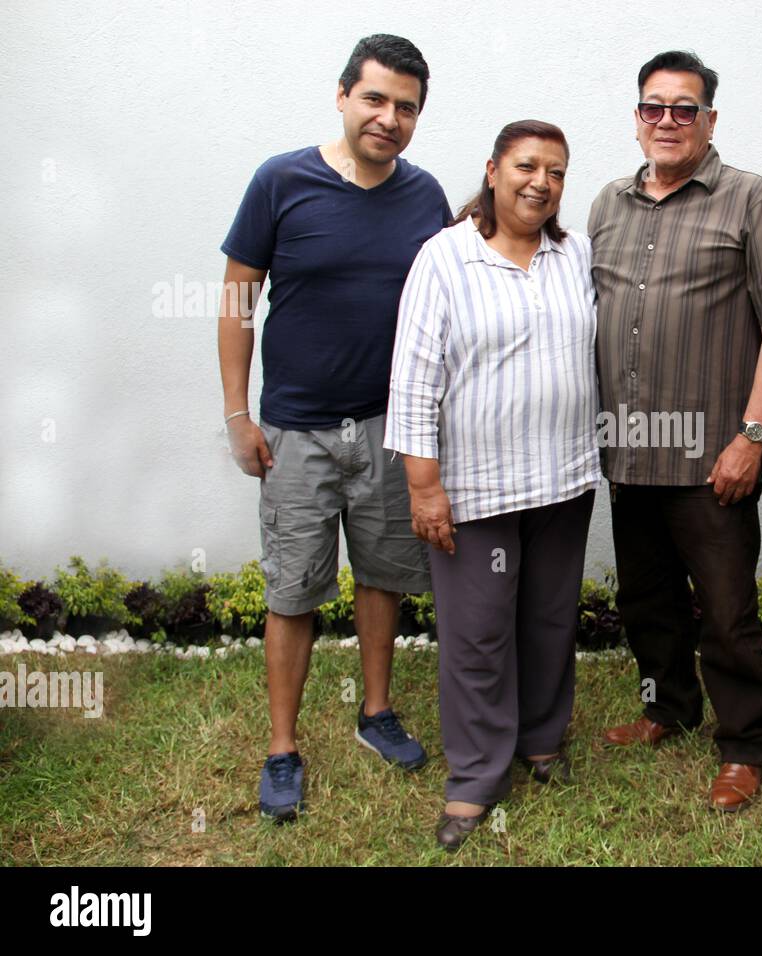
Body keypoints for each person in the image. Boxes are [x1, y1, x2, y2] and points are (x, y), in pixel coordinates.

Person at [217, 34, 453, 823]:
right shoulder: (281, 182)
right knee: (293, 589)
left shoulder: (424, 197)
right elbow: (237, 304)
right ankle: (282, 746)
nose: (390, 118)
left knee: (383, 574)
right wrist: (236, 413)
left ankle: (375, 711)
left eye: (407, 107)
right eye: (377, 99)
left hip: (389, 427)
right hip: (296, 430)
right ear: (344, 95)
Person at [589, 51, 762, 812]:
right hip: (630, 448)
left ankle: (743, 747)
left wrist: (752, 435)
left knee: (726, 609)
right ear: (638, 117)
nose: (669, 120)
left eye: (686, 108)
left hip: (713, 454)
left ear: (711, 118)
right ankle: (667, 708)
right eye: (655, 107)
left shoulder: (753, 199)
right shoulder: (607, 204)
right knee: (648, 599)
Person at [386, 120, 601, 851]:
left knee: (548, 621)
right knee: (478, 633)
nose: (541, 182)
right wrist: (424, 487)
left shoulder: (574, 255)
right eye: (526, 166)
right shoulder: (445, 258)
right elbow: (414, 379)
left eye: (557, 171)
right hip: (475, 489)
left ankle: (541, 741)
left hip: (564, 479)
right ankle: (476, 775)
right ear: (492, 169)